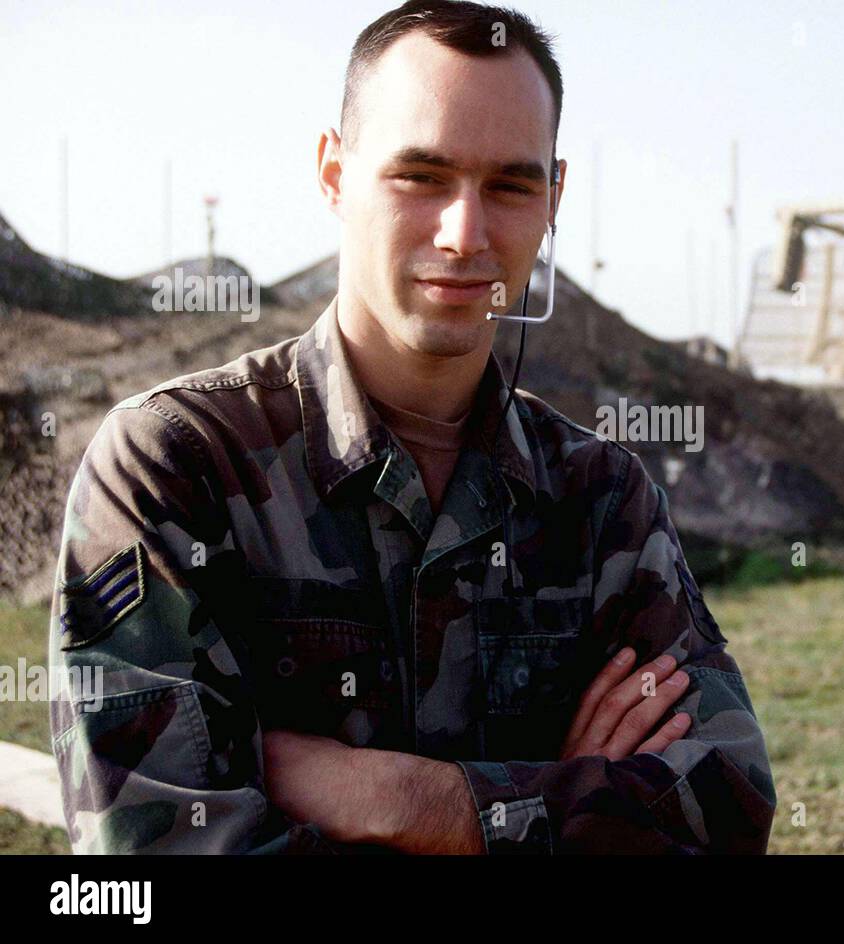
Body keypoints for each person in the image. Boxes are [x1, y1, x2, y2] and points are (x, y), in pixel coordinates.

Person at [47, 0, 775, 854]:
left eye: (510, 183)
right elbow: (153, 857)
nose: (465, 233)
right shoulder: (177, 467)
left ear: (555, 199)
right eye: (420, 175)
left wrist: (414, 803)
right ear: (333, 173)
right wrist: (571, 805)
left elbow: (725, 812)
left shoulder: (600, 498)